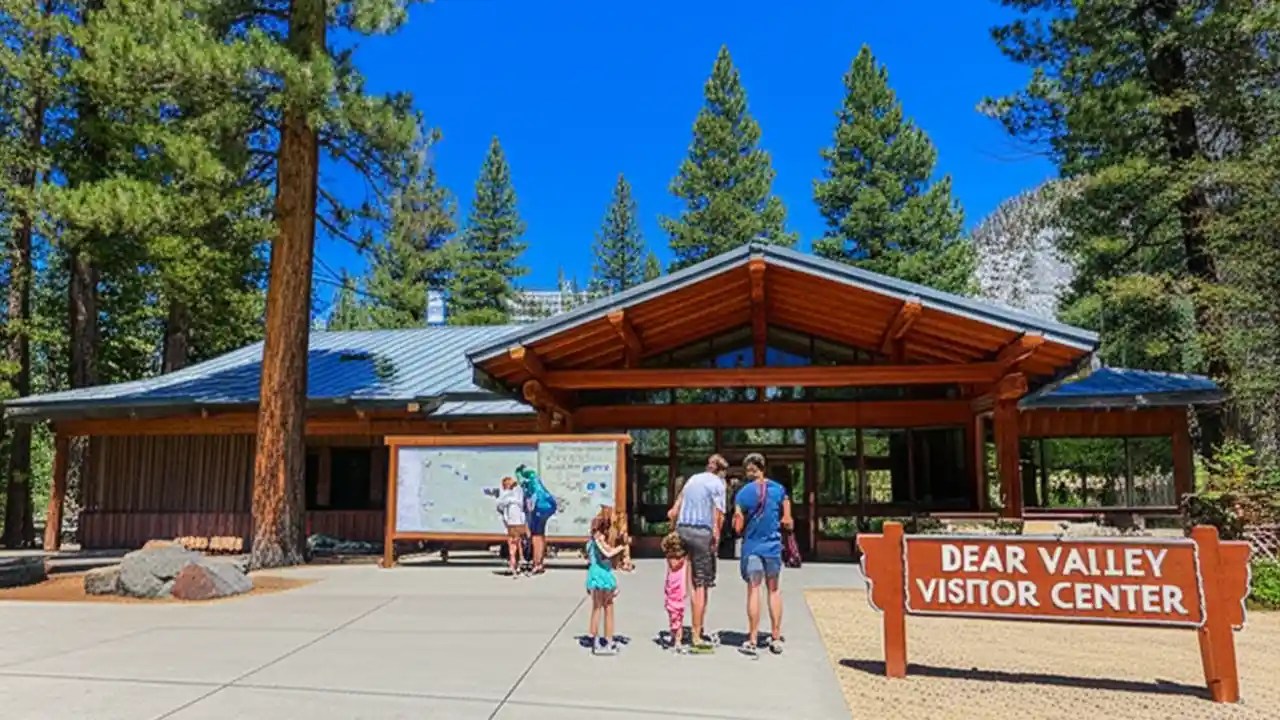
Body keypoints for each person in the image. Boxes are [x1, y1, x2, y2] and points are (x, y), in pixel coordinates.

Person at [733, 452, 793, 656]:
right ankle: (775, 636)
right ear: (763, 468)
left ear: (748, 470)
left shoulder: (743, 493)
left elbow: (738, 527)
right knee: (774, 590)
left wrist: (737, 521)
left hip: (752, 547)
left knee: (754, 589)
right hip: (773, 547)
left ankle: (752, 638)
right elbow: (786, 506)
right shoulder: (778, 489)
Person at [669, 454, 728, 650]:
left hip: (682, 529)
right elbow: (719, 515)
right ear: (721, 471)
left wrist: (673, 530)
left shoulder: (692, 479)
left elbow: (674, 510)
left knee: (677, 579)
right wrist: (716, 539)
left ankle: (676, 632)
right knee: (699, 584)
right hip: (702, 533)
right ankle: (696, 633)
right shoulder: (718, 484)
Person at [585, 514, 624, 654]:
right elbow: (607, 554)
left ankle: (595, 638)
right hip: (602, 575)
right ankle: (607, 640)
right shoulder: (598, 540)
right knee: (607, 607)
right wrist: (621, 548)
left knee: (597, 608)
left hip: (595, 574)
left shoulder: (590, 542)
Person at [516, 465, 556, 574]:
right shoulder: (536, 482)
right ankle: (539, 562)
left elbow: (530, 503)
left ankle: (537, 563)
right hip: (548, 506)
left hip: (539, 508)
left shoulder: (528, 484)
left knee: (536, 536)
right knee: (540, 535)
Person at [660, 531, 689, 653]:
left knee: (674, 614)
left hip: (673, 587)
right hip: (679, 588)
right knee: (677, 615)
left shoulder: (670, 558)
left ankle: (676, 638)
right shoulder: (684, 559)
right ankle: (676, 637)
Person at [496, 476, 528, 577]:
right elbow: (500, 506)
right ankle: (515, 563)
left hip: (516, 521)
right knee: (515, 542)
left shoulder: (513, 494)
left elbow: (500, 506)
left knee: (516, 542)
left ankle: (517, 563)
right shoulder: (510, 495)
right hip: (514, 522)